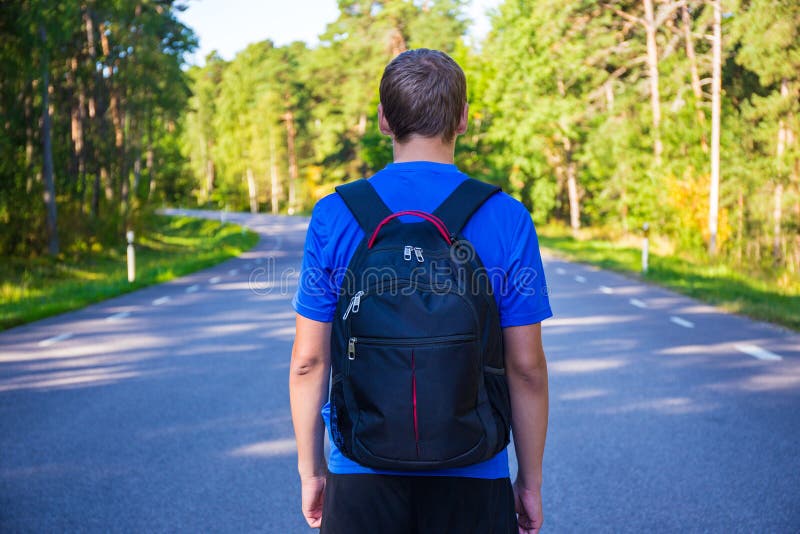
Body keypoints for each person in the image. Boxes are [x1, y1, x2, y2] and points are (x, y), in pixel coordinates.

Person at [290, 48, 551, 534]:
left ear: (385, 120)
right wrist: (529, 482)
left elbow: (309, 361)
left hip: (360, 471)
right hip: (475, 472)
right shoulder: (506, 217)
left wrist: (312, 471)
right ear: (465, 119)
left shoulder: (335, 215)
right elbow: (526, 368)